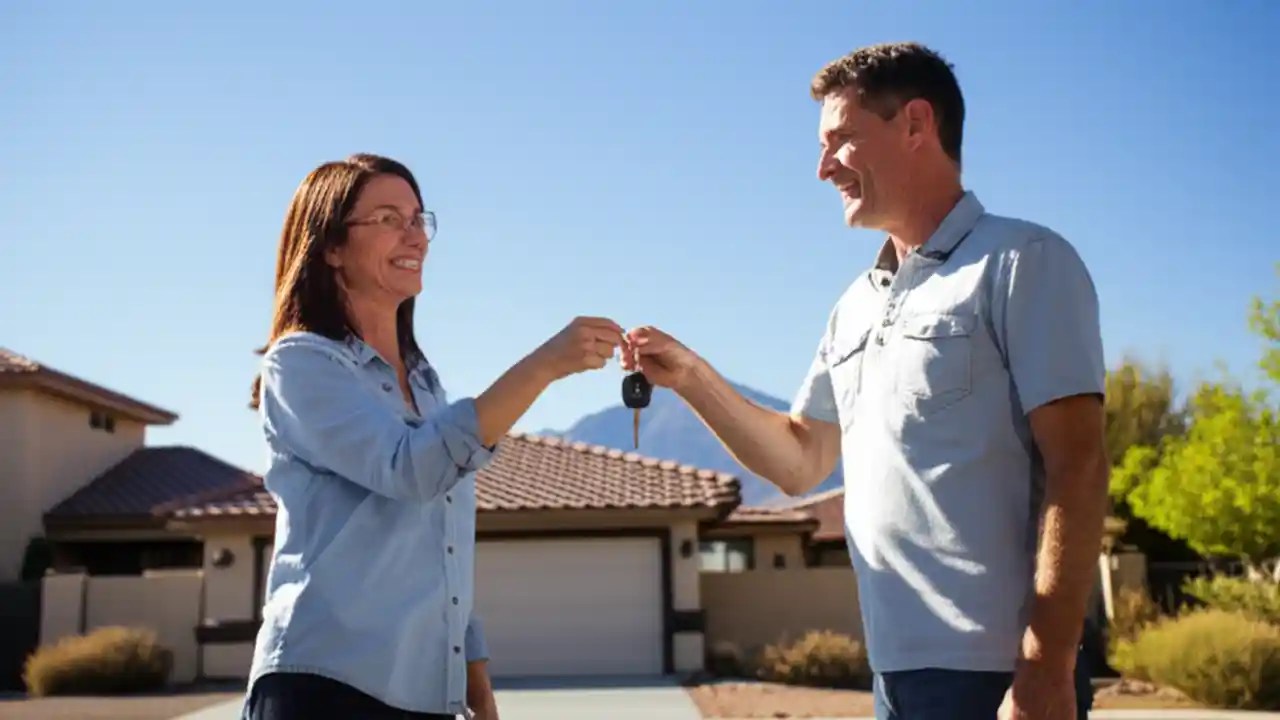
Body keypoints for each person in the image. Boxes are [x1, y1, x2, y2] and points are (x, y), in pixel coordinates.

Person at [622, 42, 1109, 720]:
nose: (822, 169)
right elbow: (800, 461)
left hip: (999, 677)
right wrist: (693, 378)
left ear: (915, 124)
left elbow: (1079, 464)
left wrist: (1047, 663)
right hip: (891, 679)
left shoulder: (1023, 261)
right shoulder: (853, 306)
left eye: (841, 141)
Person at [241, 153, 625, 720]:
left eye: (420, 219)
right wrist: (545, 364)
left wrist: (477, 686)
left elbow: (445, 552)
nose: (415, 236)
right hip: (323, 688)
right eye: (390, 219)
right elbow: (410, 470)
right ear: (331, 247)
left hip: (426, 697)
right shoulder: (300, 364)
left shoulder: (424, 384)